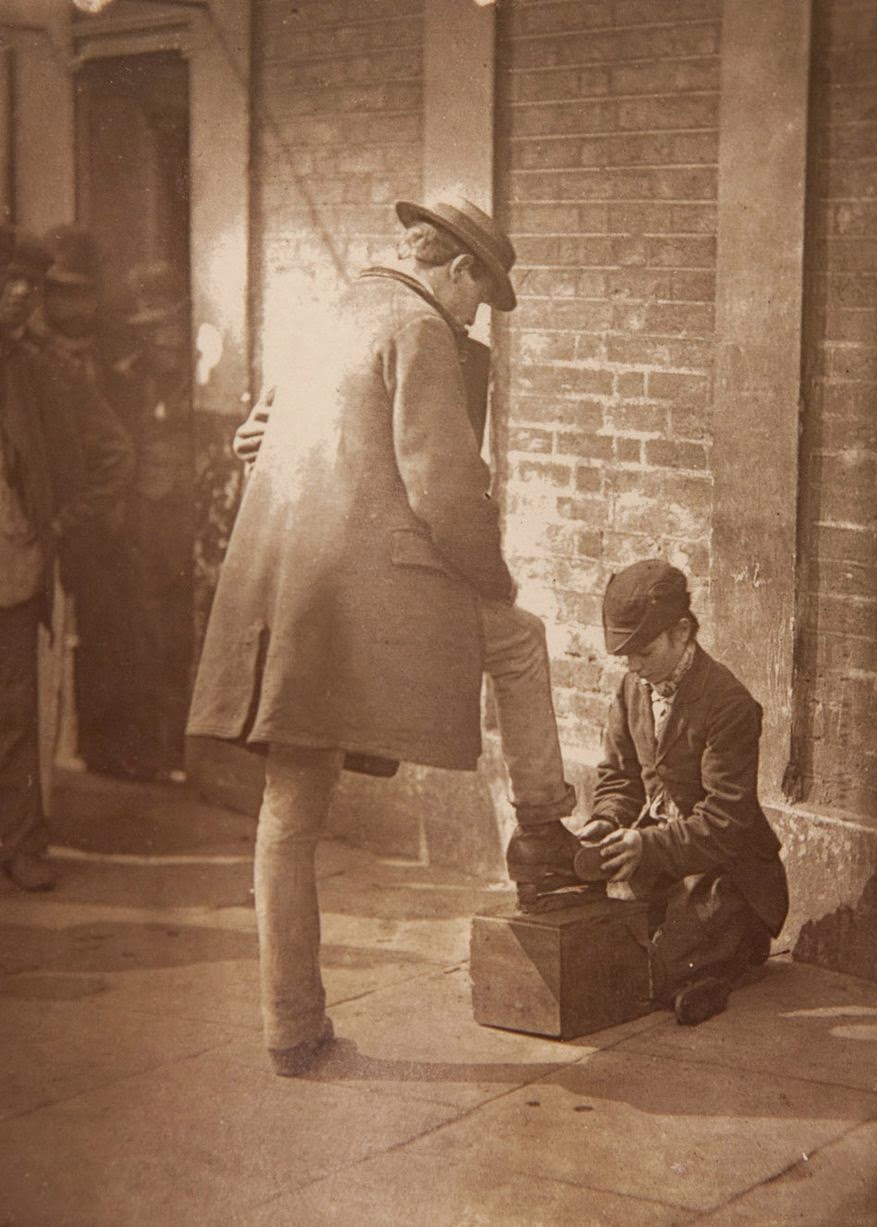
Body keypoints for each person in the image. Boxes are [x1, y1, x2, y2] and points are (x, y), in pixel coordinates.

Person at [187, 196, 582, 1075]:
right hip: (370, 593)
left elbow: (255, 438)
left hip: (286, 595)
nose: (478, 313)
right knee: (517, 636)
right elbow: (443, 487)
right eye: (482, 294)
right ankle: (544, 831)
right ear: (456, 270)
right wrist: (493, 575)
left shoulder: (325, 314)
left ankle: (292, 1029)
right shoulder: (420, 327)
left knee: (288, 812)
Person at [575, 559, 789, 1026]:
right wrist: (606, 821)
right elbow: (618, 776)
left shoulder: (728, 704)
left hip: (726, 870)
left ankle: (729, 961)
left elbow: (726, 822)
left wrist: (646, 845)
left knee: (652, 969)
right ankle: (700, 967)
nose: (633, 665)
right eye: (624, 656)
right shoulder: (633, 686)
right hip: (664, 859)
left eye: (644, 652)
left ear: (682, 631)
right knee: (607, 949)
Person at [0, 230, 132, 891]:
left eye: (29, 284)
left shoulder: (43, 371)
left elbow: (113, 453)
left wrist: (60, 522)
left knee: (17, 714)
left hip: (12, 570)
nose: (21, 294)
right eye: (9, 281)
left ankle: (23, 843)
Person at [30, 224, 140, 777]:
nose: (69, 302)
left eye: (79, 290)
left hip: (102, 519)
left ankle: (106, 750)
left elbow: (121, 445)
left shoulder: (117, 348)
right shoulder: (30, 352)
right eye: (58, 290)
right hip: (45, 517)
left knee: (111, 633)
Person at [113, 261, 194, 779]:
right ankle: (151, 751)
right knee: (142, 633)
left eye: (168, 329)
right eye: (151, 331)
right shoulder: (125, 381)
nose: (161, 341)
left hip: (185, 518)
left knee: (179, 632)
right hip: (140, 517)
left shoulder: (204, 378)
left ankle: (181, 751)